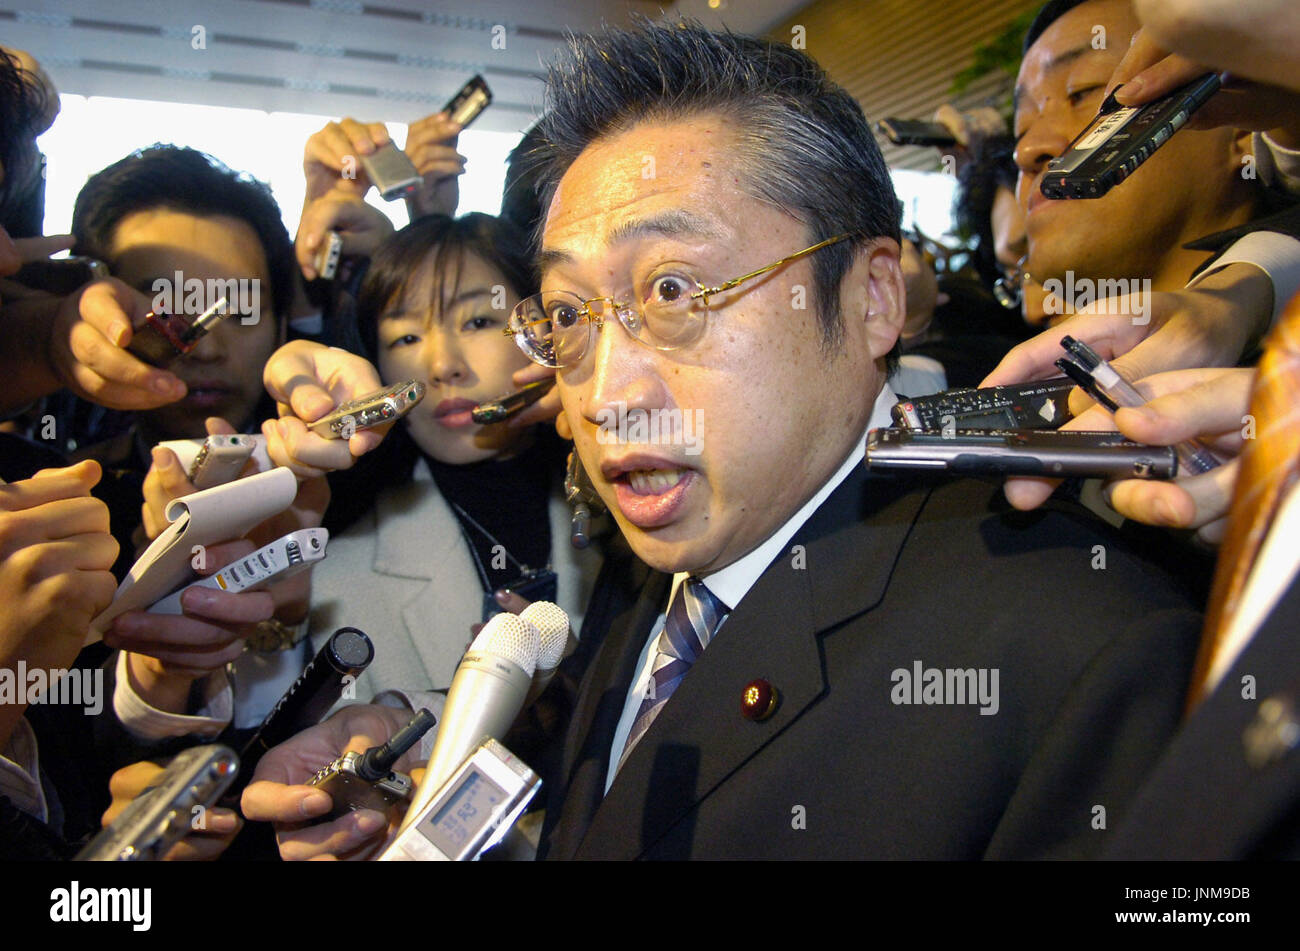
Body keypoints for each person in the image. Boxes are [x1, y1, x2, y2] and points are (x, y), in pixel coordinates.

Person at [243, 19, 1203, 861]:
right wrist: (411, 770)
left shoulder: (1084, 658)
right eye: (570, 313)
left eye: (674, 291)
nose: (609, 393)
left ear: (873, 298)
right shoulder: (654, 572)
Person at [115, 214, 601, 752]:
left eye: (479, 322)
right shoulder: (331, 563)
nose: (442, 366)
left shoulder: (626, 511)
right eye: (407, 335)